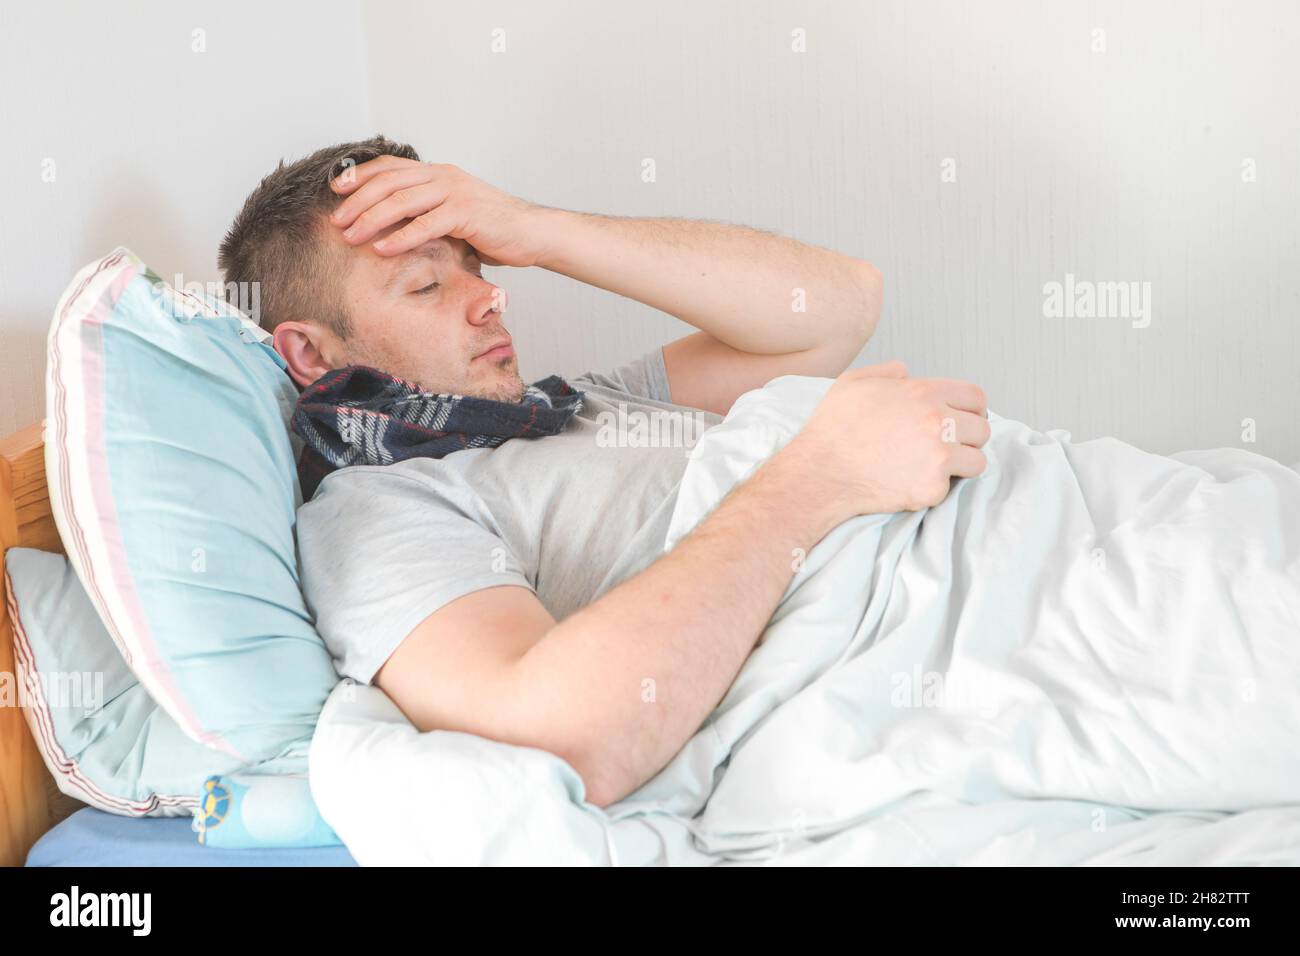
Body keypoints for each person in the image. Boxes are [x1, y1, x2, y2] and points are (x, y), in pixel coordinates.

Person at [218, 135, 989, 808]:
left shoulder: (576, 405)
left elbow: (840, 304)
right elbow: (566, 737)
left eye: (476, 265)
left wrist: (534, 227)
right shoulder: (381, 508)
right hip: (972, 621)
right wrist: (823, 474)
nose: (490, 297)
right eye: (426, 285)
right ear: (313, 354)